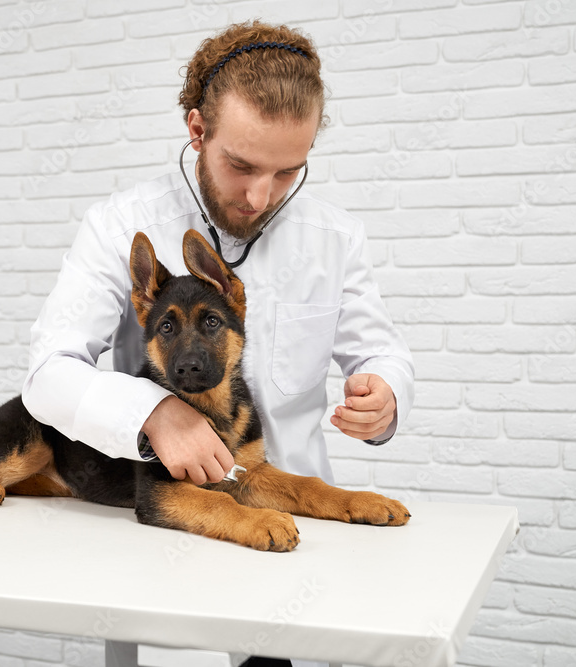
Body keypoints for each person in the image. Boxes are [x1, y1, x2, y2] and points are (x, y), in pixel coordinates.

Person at [21, 20, 414, 667]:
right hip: (174, 523)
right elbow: (47, 372)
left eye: (289, 171)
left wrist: (386, 392)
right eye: (242, 165)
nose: (261, 196)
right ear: (197, 129)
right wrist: (151, 411)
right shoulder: (119, 223)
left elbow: (381, 352)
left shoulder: (335, 236)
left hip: (299, 526)